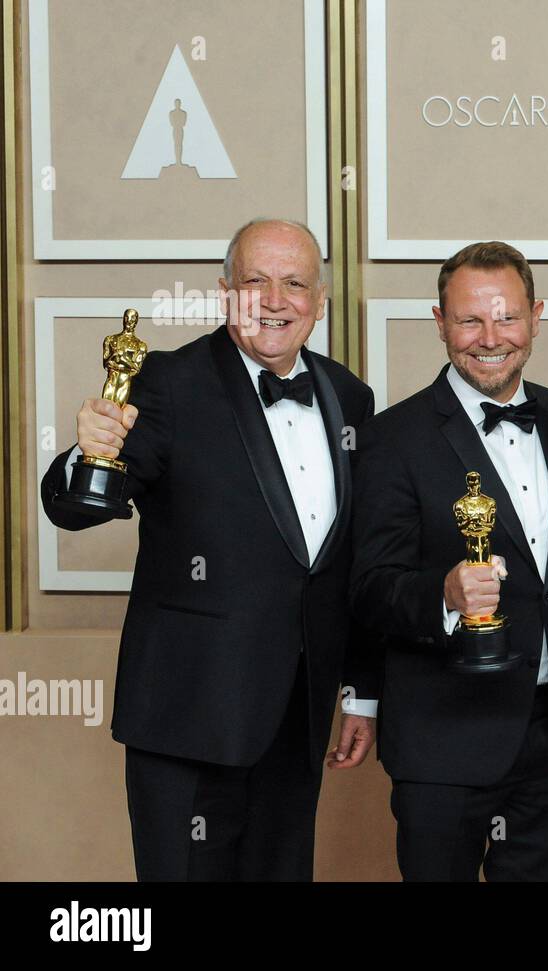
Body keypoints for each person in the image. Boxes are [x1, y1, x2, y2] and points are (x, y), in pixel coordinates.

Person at [41, 218, 377, 881]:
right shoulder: (168, 382)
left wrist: (362, 692)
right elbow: (76, 506)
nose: (275, 300)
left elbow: (356, 561)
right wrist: (90, 454)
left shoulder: (350, 398)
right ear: (226, 292)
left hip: (298, 716)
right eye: (255, 281)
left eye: (294, 283)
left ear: (320, 300)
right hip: (188, 716)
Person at [349, 241, 548, 881]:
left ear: (536, 316)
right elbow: (369, 589)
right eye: (470, 320)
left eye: (507, 317)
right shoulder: (391, 439)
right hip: (444, 736)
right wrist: (442, 595)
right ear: (440, 323)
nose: (490, 337)